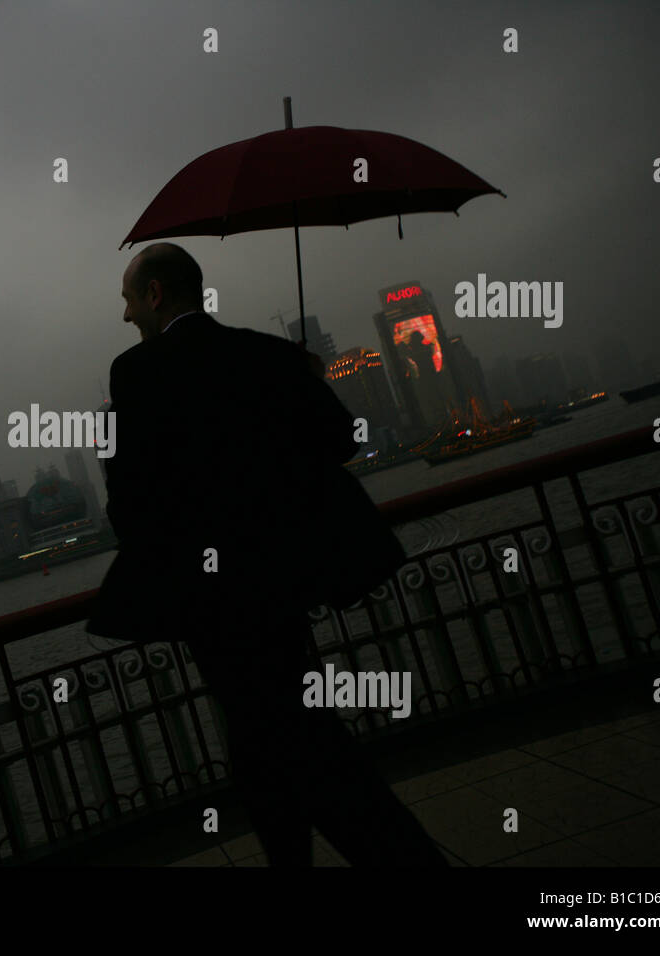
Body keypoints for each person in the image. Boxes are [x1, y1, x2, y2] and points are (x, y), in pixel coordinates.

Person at [87, 242, 448, 867]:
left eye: (127, 299)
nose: (125, 316)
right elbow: (341, 440)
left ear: (154, 295)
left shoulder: (136, 373)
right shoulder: (268, 355)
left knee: (286, 740)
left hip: (211, 600)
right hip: (284, 582)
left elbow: (130, 503)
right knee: (273, 738)